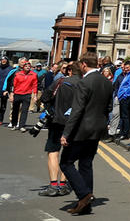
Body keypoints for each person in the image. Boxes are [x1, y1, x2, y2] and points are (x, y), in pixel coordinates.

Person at [60, 53, 113, 216]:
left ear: (83, 64)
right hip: (97, 128)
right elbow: (109, 107)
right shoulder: (106, 82)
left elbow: (77, 110)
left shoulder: (84, 82)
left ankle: (84, 194)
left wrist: (66, 133)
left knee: (66, 163)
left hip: (82, 129)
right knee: (86, 163)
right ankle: (86, 204)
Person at [39, 61, 77, 198]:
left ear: (69, 71)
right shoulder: (84, 84)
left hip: (57, 121)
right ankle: (63, 184)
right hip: (74, 123)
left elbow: (44, 97)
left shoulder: (60, 82)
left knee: (53, 152)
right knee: (68, 153)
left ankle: (53, 185)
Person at [9, 58, 39, 130]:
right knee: (15, 110)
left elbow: (35, 85)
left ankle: (22, 126)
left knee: (24, 111)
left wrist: (35, 95)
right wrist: (12, 94)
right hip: (17, 93)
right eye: (26, 66)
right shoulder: (18, 74)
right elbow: (13, 85)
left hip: (27, 94)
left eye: (29, 66)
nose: (27, 67)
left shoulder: (33, 74)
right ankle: (14, 124)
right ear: (23, 67)